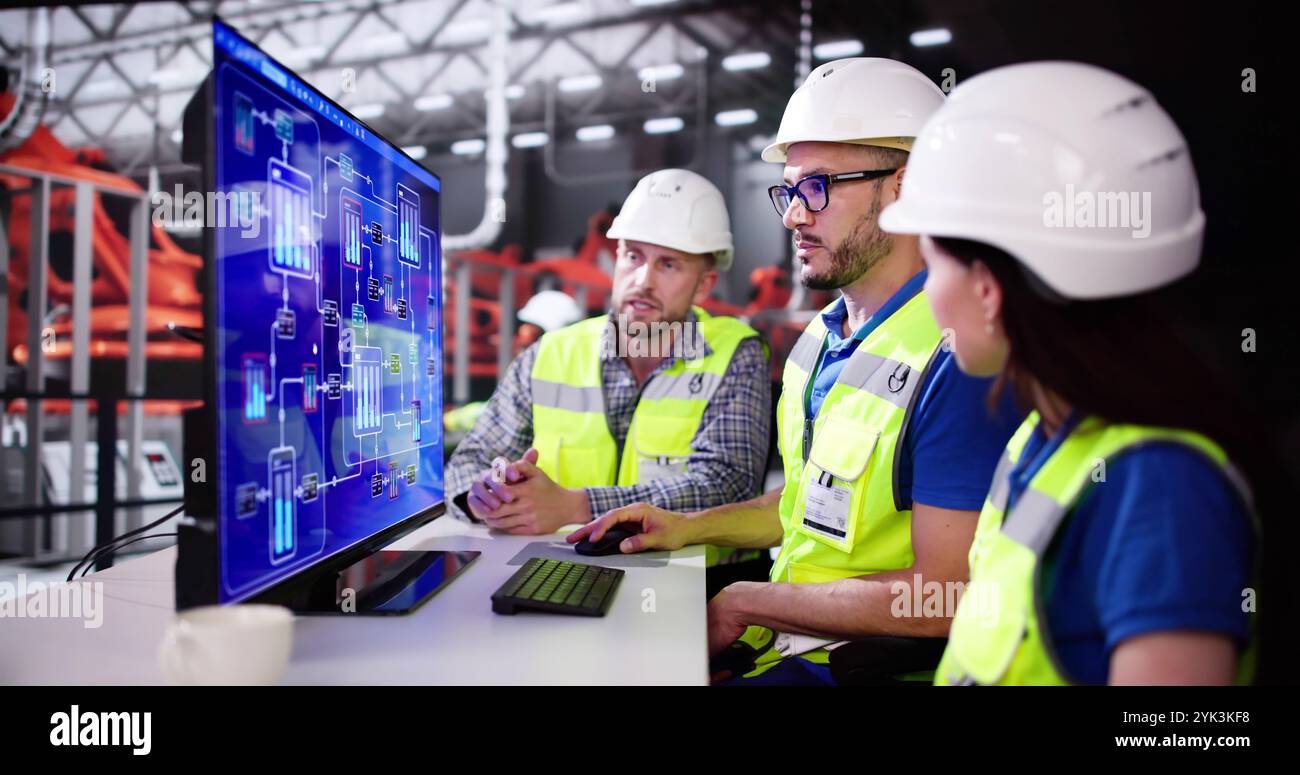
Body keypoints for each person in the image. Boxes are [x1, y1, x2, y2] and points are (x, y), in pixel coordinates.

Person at [570, 58, 1023, 685]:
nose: (793, 216)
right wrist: (683, 527)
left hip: (863, 668)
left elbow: (945, 596)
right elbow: (809, 505)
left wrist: (744, 601)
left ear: (905, 186)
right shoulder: (819, 338)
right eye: (789, 190)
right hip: (791, 644)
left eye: (819, 186)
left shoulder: (954, 356)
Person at [878, 61, 1273, 684]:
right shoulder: (1040, 439)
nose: (928, 295)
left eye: (933, 263)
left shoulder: (1160, 492)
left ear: (988, 287)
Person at [445, 168, 772, 581]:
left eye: (668, 264)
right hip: (562, 576)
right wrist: (487, 495)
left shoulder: (735, 354)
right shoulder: (551, 353)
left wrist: (574, 506)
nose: (643, 281)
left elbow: (726, 484)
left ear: (704, 285)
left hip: (691, 588)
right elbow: (467, 463)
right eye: (633, 256)